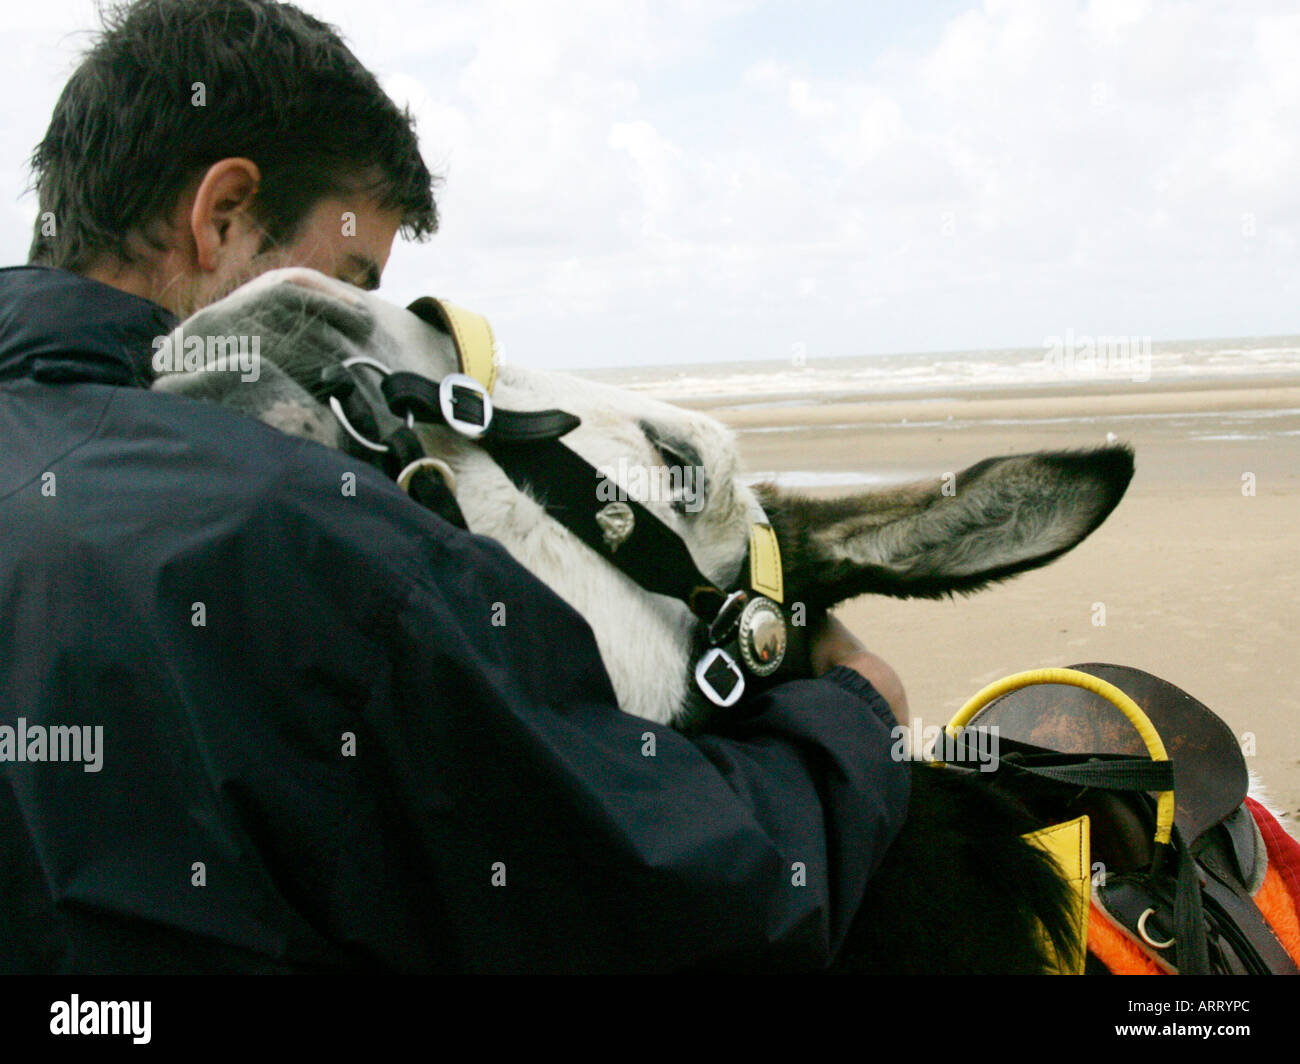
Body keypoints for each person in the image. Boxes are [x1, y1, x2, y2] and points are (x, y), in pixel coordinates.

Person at [0, 0, 909, 974]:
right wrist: (855, 716)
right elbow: (682, 904)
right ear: (224, 216)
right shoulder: (293, 527)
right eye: (354, 276)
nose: (363, 320)